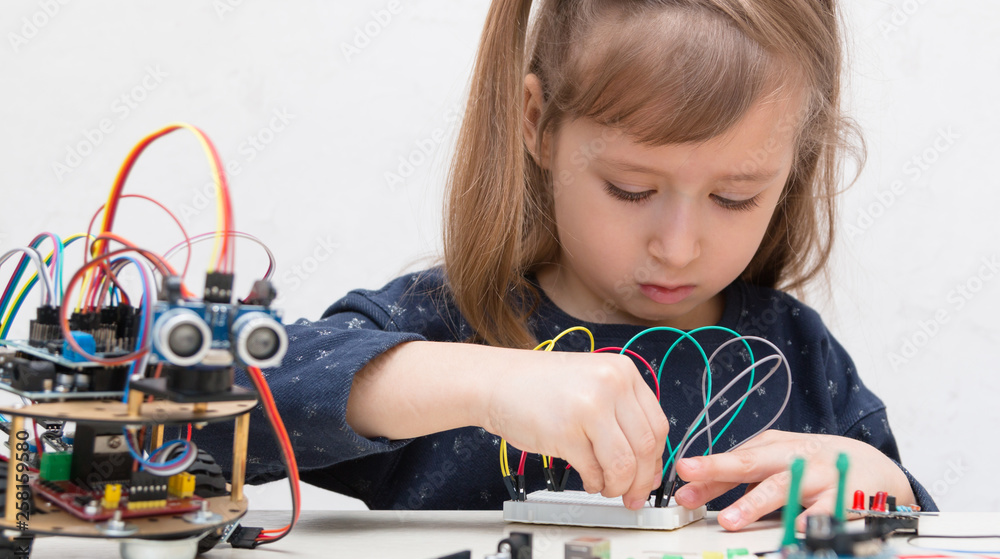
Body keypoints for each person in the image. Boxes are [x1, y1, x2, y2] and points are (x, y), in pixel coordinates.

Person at [203, 0, 936, 529]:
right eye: (632, 189)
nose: (677, 246)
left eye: (735, 197)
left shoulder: (797, 358)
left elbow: (927, 544)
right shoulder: (450, 326)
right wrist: (488, 383)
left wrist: (885, 494)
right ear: (538, 124)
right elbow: (198, 413)